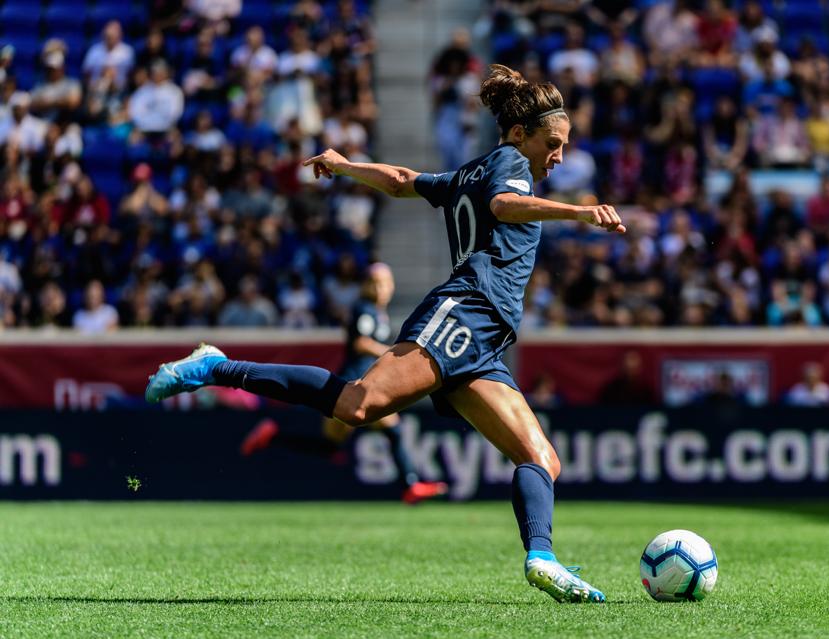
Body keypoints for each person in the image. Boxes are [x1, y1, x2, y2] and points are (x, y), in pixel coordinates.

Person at [145, 63, 623, 604]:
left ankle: (542, 558)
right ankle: (216, 366)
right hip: (467, 312)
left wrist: (346, 167)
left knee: (541, 459)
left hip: (486, 338)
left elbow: (401, 182)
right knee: (358, 406)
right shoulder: (511, 164)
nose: (557, 157)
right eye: (552, 144)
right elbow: (503, 206)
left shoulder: (473, 170)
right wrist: (580, 214)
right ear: (519, 134)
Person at [241, 263, 449, 505]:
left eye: (383, 283)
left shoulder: (376, 313)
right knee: (395, 428)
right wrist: (393, 353)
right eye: (374, 283)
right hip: (356, 385)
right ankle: (410, 485)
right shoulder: (365, 309)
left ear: (391, 287)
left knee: (330, 446)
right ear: (365, 286)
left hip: (354, 386)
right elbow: (361, 343)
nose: (379, 288)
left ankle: (273, 436)